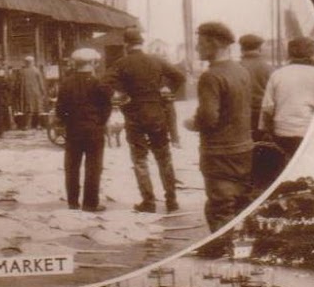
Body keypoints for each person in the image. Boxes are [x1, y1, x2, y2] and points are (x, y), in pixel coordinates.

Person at [187, 22, 256, 232]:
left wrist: (192, 123)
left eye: (200, 43)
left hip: (219, 153)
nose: (197, 48)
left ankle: (221, 249)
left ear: (213, 43)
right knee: (241, 204)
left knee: (220, 209)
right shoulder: (241, 70)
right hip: (243, 149)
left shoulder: (211, 76)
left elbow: (209, 117)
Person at [107, 28, 186, 213]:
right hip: (156, 114)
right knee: (164, 158)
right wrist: (168, 90)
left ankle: (148, 202)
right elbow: (179, 76)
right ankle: (171, 201)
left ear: (126, 45)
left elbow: (104, 83)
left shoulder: (121, 63)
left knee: (140, 159)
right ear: (141, 43)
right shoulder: (156, 60)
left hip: (134, 116)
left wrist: (121, 96)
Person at [55, 48, 113, 212]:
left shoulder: (66, 83)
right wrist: (100, 122)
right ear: (93, 63)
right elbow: (107, 108)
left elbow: (60, 109)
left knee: (72, 166)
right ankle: (90, 203)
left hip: (73, 130)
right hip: (94, 130)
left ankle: (72, 202)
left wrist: (67, 122)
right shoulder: (99, 83)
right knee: (93, 167)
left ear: (75, 64)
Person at [260, 36, 314, 159]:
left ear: (290, 53)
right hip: (308, 132)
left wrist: (267, 133)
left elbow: (267, 109)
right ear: (312, 53)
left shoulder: (277, 75)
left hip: (282, 132)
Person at [236, 34, 274, 141]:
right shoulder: (268, 68)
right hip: (261, 114)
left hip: (239, 113)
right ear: (260, 48)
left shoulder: (236, 67)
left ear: (241, 49)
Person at [16, 56, 49, 130]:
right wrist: (43, 92)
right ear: (32, 62)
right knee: (38, 108)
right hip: (36, 93)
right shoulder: (36, 71)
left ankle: (27, 125)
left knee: (28, 109)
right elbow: (41, 83)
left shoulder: (22, 71)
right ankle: (38, 125)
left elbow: (18, 84)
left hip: (26, 93)